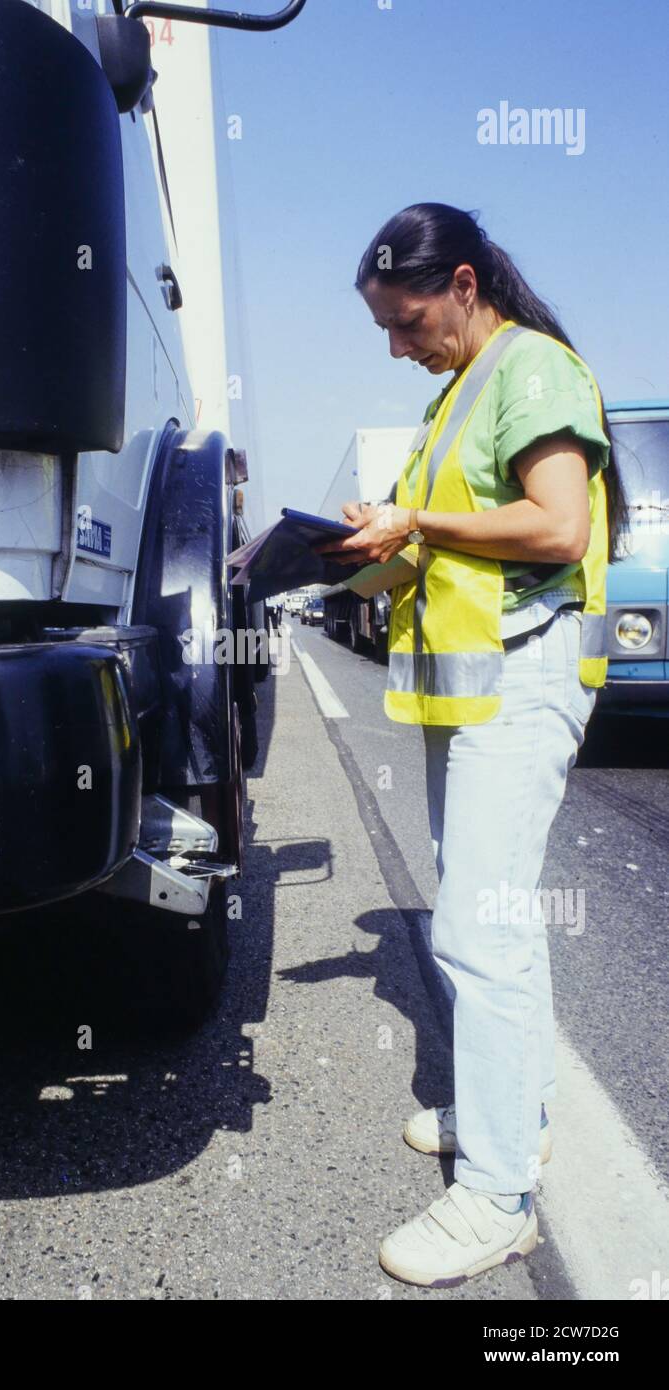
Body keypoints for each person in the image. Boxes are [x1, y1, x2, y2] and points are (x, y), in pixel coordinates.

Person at [317, 202, 628, 1288]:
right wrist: (351, 548)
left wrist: (417, 523)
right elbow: (436, 554)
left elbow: (556, 527)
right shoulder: (457, 393)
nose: (398, 348)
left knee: (476, 929)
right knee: (488, 906)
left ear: (460, 283)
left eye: (406, 324)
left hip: (524, 673)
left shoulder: (529, 368)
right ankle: (519, 1112)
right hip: (470, 681)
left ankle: (497, 1196)